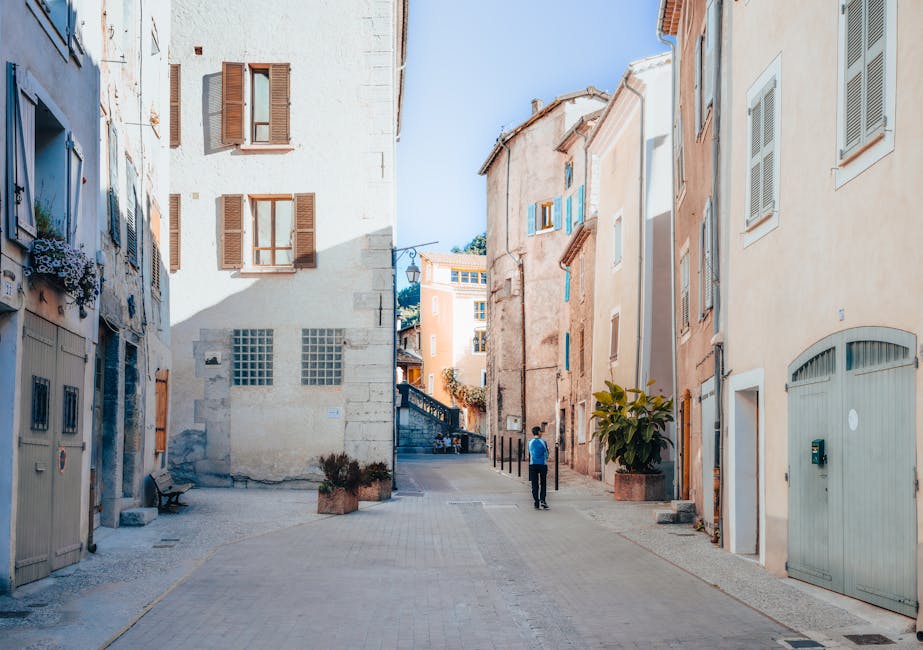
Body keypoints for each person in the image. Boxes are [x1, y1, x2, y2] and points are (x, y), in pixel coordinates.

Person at [528, 426, 550, 510]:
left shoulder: (530, 442)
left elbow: (529, 452)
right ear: (538, 432)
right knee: (543, 483)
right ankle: (543, 500)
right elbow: (547, 455)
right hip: (542, 465)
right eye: (541, 431)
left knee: (534, 484)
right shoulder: (543, 442)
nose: (541, 433)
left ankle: (536, 503)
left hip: (533, 465)